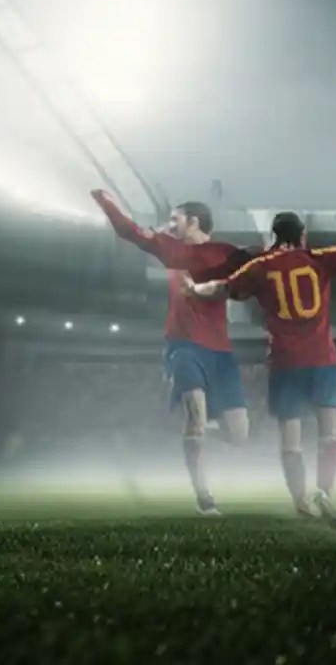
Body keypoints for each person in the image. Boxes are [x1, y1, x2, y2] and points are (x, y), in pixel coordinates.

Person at [185, 211, 336, 519]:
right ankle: (324, 493)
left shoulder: (260, 267)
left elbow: (222, 289)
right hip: (323, 358)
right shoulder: (319, 259)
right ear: (302, 235)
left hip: (285, 361)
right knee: (330, 433)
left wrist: (193, 289)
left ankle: (301, 502)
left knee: (290, 439)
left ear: (273, 236)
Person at [91, 190, 253, 516]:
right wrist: (105, 200)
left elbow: (262, 271)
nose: (169, 224)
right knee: (195, 417)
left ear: (193, 221)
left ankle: (196, 433)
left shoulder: (228, 253)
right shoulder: (170, 248)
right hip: (183, 345)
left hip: (220, 350)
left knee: (239, 436)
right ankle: (204, 497)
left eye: (175, 218)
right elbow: (129, 231)